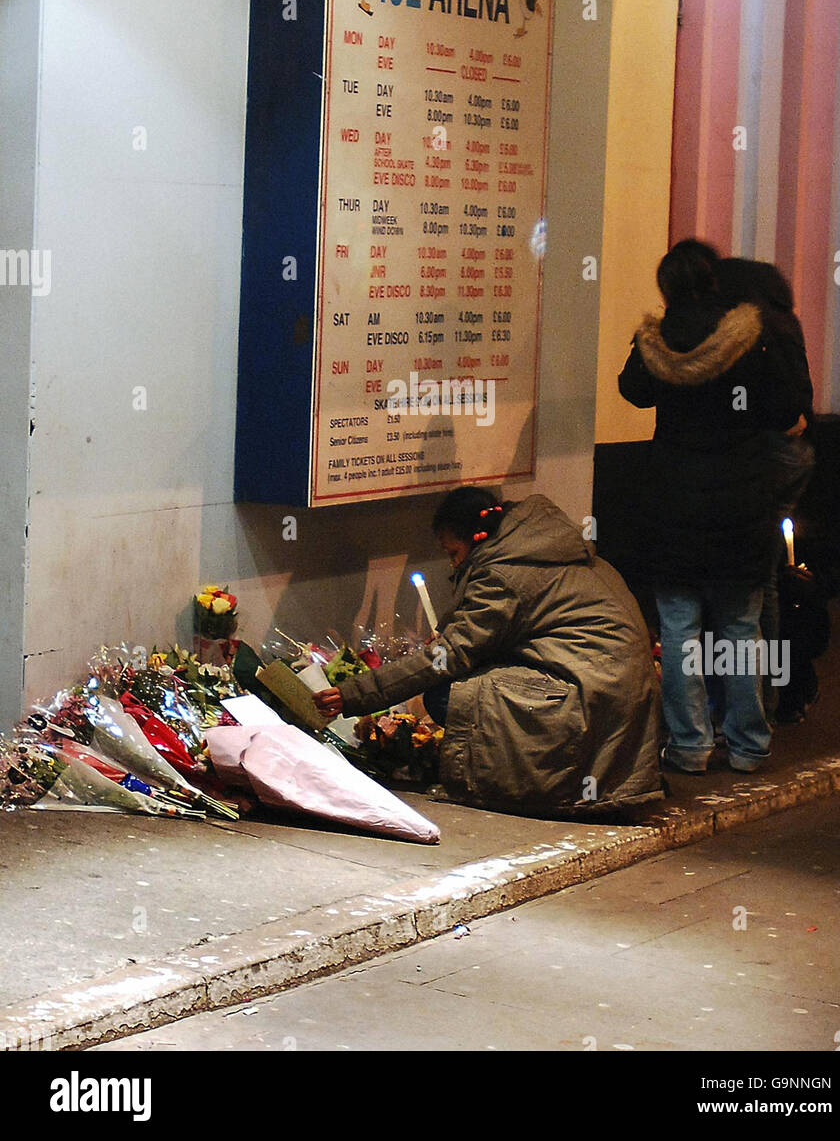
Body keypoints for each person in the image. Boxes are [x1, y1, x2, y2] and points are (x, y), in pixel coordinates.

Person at [314, 487, 663, 818]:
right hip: (615, 694)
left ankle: (512, 781)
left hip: (587, 699)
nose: (452, 565)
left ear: (477, 538)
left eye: (453, 553)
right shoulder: (548, 550)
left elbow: (451, 655)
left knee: (446, 695)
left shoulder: (503, 576)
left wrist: (353, 694)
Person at [618, 241, 805, 774]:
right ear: (714, 281)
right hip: (741, 498)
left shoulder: (657, 337)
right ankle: (747, 745)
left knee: (678, 626)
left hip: (673, 499)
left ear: (666, 287)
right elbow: (785, 406)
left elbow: (633, 391)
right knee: (741, 626)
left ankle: (689, 746)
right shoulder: (749, 336)